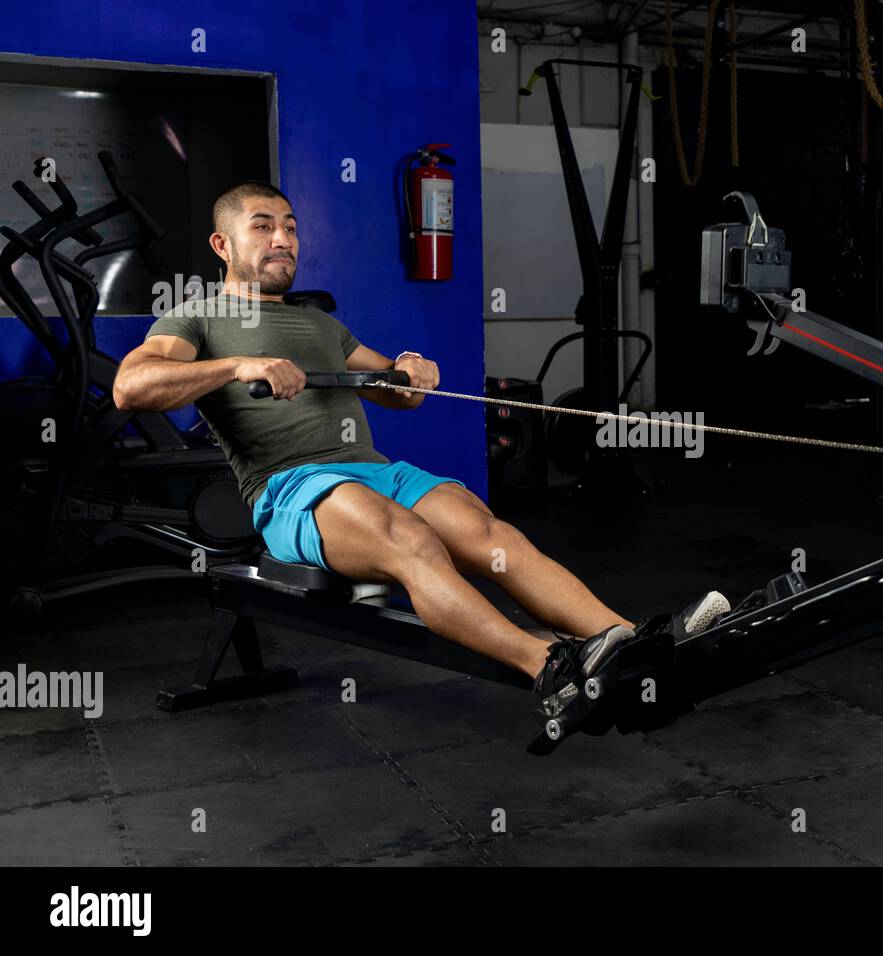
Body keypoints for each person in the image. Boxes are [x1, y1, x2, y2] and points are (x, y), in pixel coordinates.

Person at [112, 181, 730, 711]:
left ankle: (637, 643)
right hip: (293, 488)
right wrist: (238, 364)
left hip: (375, 473)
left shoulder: (320, 324)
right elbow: (130, 388)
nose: (283, 239)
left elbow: (397, 393)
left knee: (492, 536)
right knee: (413, 541)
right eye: (263, 226)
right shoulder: (196, 319)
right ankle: (550, 666)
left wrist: (413, 370)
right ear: (223, 244)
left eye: (291, 227)